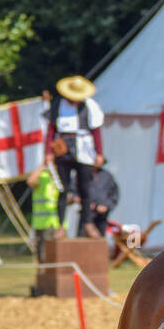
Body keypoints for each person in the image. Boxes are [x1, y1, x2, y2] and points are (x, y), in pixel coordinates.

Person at [45, 75, 105, 238]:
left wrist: (99, 153)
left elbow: (96, 131)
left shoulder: (90, 106)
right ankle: (60, 226)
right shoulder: (58, 105)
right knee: (62, 189)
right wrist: (48, 152)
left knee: (85, 188)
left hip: (84, 150)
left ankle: (88, 223)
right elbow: (51, 130)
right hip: (63, 149)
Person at [25, 154, 64, 260]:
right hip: (43, 223)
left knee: (60, 254)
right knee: (43, 255)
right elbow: (31, 181)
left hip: (58, 223)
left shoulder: (61, 179)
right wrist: (43, 164)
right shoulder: (43, 176)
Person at [88, 161, 120, 234]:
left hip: (102, 214)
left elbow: (114, 194)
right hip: (87, 214)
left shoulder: (107, 176)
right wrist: (86, 204)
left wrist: (106, 206)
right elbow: (75, 192)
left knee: (100, 237)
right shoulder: (83, 174)